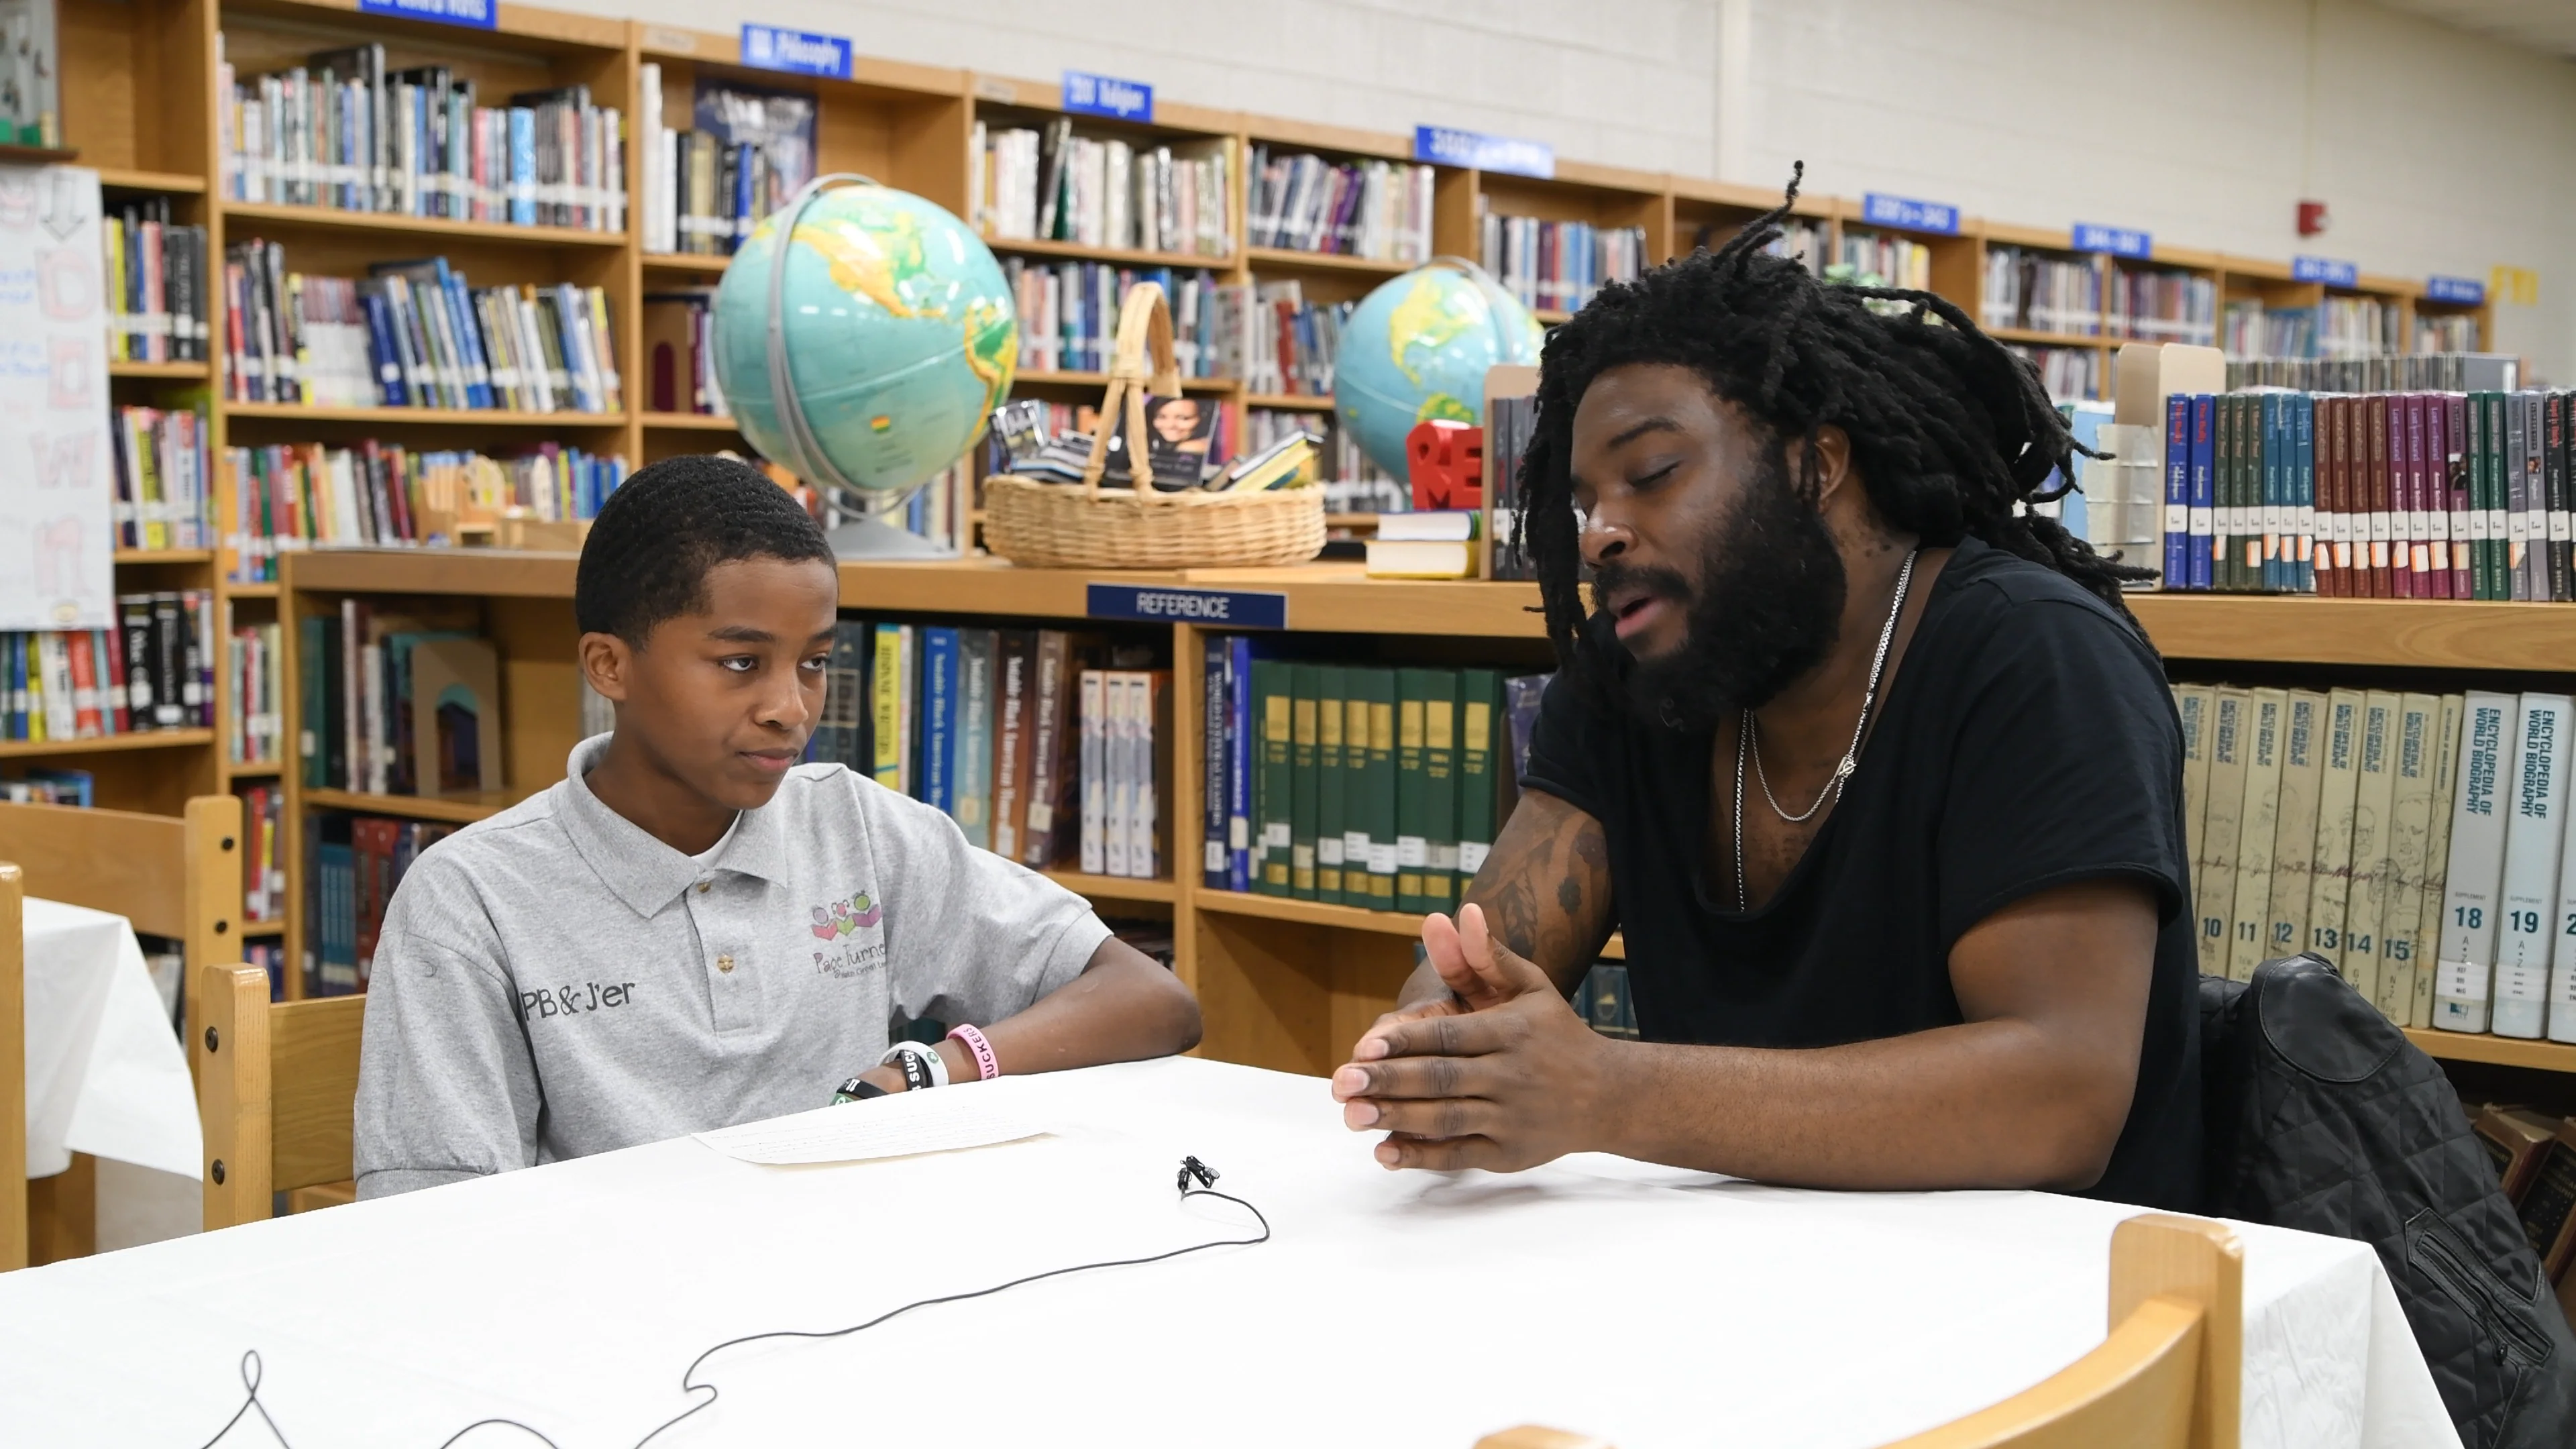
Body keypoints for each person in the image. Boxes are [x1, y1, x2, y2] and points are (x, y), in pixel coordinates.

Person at [1330, 170, 2201, 1212]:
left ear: (1814, 465)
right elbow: (1477, 967)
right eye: (1581, 502)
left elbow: (2059, 1100)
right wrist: (1449, 1051)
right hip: (1745, 1279)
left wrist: (1608, 1092)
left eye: (1650, 474)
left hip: (2051, 1297)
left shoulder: (2036, 661)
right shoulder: (1635, 677)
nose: (1600, 530)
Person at [354, 455, 1200, 1197]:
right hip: (621, 1332)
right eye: (739, 663)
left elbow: (1151, 1000)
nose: (790, 709)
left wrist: (938, 1065)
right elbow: (430, 1222)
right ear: (609, 665)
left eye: (815, 663)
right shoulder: (473, 899)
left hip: (846, 1301)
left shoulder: (855, 826)